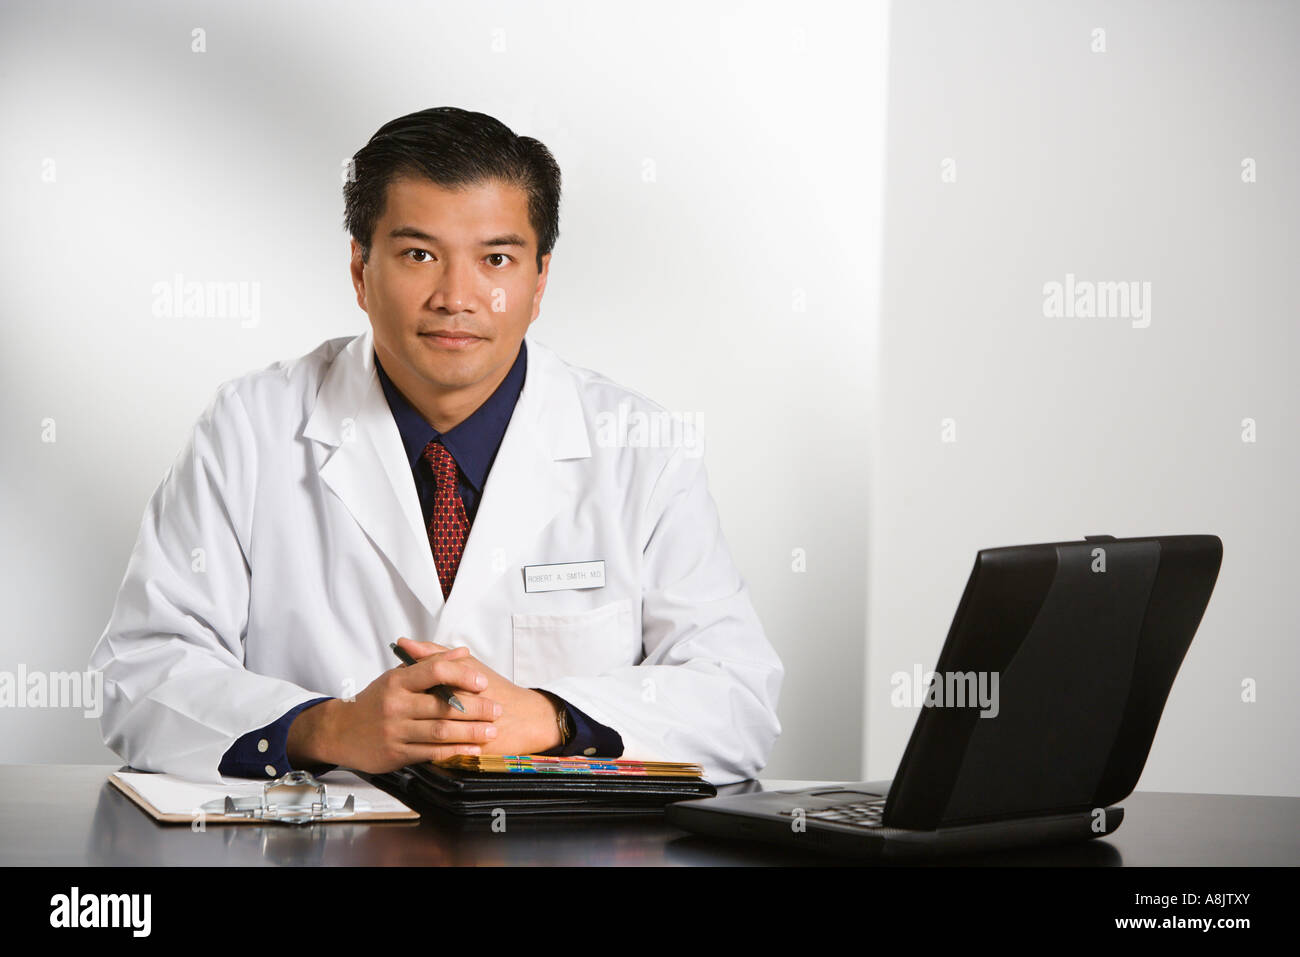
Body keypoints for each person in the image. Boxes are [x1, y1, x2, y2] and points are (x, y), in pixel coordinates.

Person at [89, 107, 782, 785]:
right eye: (419, 254)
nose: (457, 296)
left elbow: (737, 697)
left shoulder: (640, 448)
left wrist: (551, 720)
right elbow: (141, 673)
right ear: (361, 270)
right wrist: (330, 727)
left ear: (539, 280)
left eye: (496, 259)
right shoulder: (249, 429)